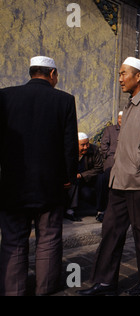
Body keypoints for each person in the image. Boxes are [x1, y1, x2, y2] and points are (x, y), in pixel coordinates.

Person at [77, 57, 140, 296]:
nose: (120, 79)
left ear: (138, 76)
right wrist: (119, 169)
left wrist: (134, 165)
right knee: (111, 231)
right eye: (119, 74)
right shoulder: (128, 106)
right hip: (118, 181)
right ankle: (105, 282)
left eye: (123, 74)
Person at [0, 56, 78, 296]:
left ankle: (13, 290)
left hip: (12, 184)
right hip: (50, 185)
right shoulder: (64, 100)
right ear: (52, 74)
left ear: (31, 72)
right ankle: (45, 289)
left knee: (13, 241)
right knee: (48, 239)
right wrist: (69, 177)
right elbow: (69, 145)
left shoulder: (5, 96)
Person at [65, 132, 106, 222]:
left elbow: (99, 168)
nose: (86, 147)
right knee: (73, 179)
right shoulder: (69, 151)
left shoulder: (94, 149)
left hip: (89, 180)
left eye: (87, 144)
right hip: (75, 183)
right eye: (82, 145)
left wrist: (82, 175)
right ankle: (70, 211)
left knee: (101, 177)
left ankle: (101, 211)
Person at [98, 111, 123, 222]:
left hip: (125, 161)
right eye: (120, 118)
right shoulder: (110, 130)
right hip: (112, 159)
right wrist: (108, 155)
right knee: (106, 183)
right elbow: (103, 144)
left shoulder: (130, 130)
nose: (121, 120)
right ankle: (101, 211)